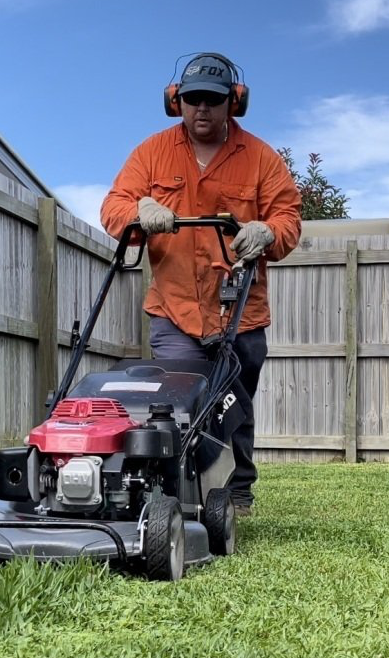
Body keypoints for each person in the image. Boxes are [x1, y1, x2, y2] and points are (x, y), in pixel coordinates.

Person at [100, 52, 302, 515]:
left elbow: (288, 217)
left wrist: (268, 231)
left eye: (213, 100)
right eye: (193, 100)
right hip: (175, 309)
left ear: (234, 102)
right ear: (177, 102)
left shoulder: (261, 159)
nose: (202, 110)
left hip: (241, 309)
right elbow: (113, 206)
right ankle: (177, 490)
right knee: (176, 403)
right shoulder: (151, 152)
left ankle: (238, 489)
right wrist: (139, 213)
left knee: (235, 403)